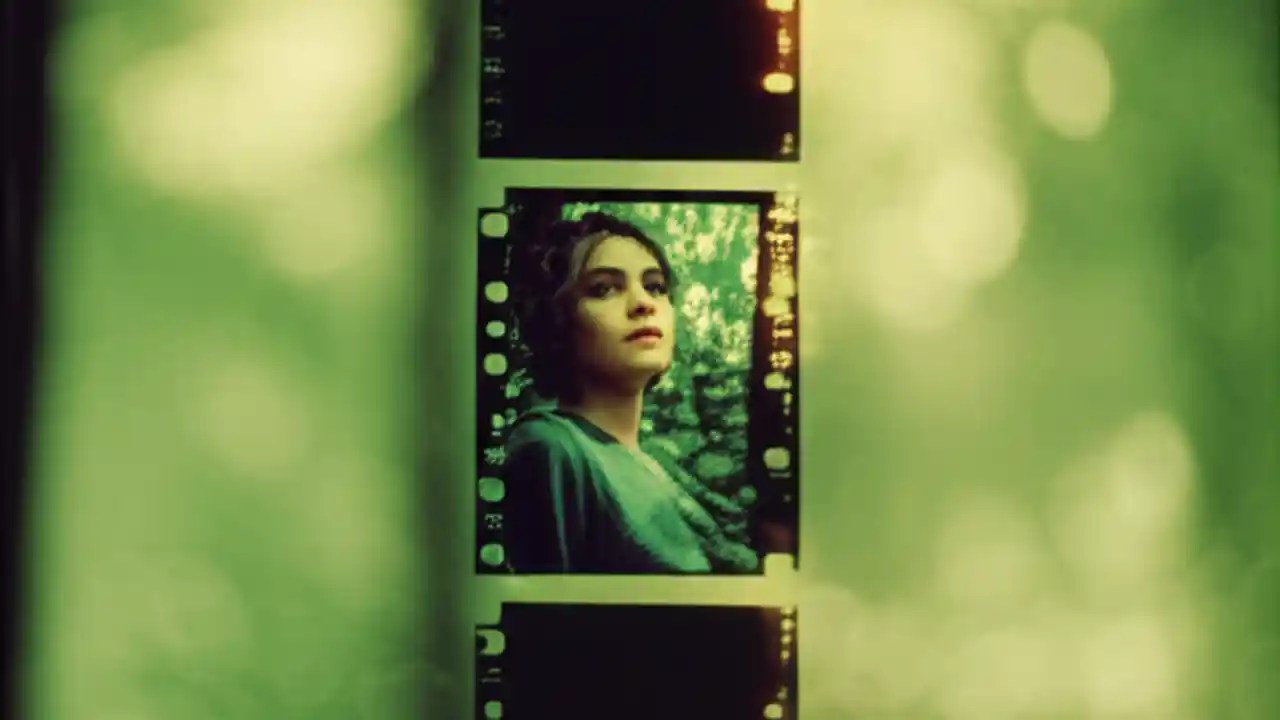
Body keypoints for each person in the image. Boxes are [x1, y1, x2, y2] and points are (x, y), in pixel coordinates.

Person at [503, 211, 758, 574]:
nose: (644, 303)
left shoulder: (656, 462)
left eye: (655, 287)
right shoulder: (551, 448)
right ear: (556, 318)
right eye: (604, 288)